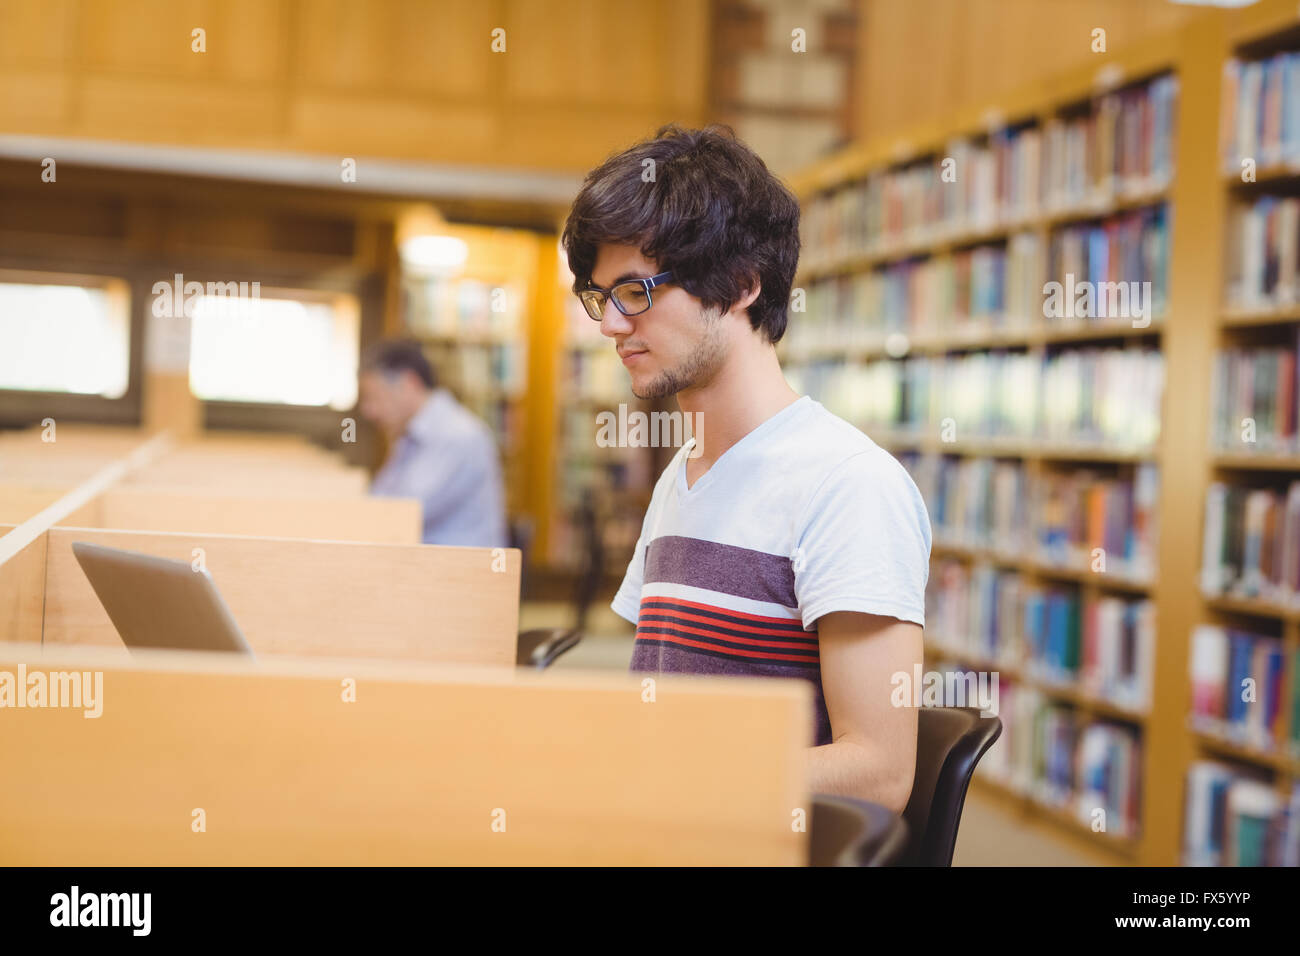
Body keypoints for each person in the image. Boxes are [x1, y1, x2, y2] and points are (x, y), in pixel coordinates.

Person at [560, 125, 932, 814]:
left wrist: (678, 787)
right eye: (600, 297)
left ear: (739, 286)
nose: (610, 325)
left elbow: (879, 771)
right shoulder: (684, 473)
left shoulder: (848, 485)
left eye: (635, 292)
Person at [357, 339, 507, 548]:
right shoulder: (410, 432)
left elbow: (401, 514)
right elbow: (379, 499)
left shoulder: (456, 435)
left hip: (460, 571)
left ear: (409, 384)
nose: (368, 412)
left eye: (374, 398)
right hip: (427, 561)